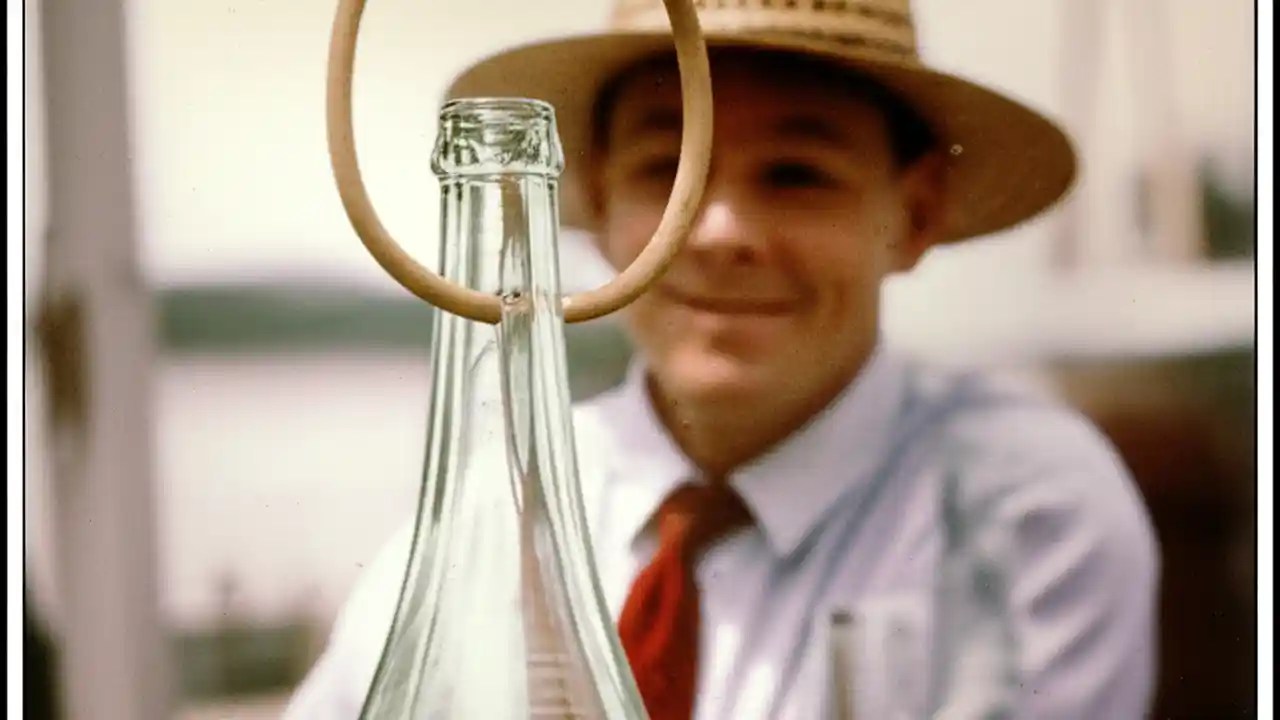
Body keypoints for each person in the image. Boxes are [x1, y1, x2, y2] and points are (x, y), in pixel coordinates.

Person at [287, 1, 1159, 717]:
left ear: (916, 214)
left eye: (796, 174)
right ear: (591, 197)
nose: (718, 234)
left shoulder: (1017, 508)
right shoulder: (497, 498)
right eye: (665, 172)